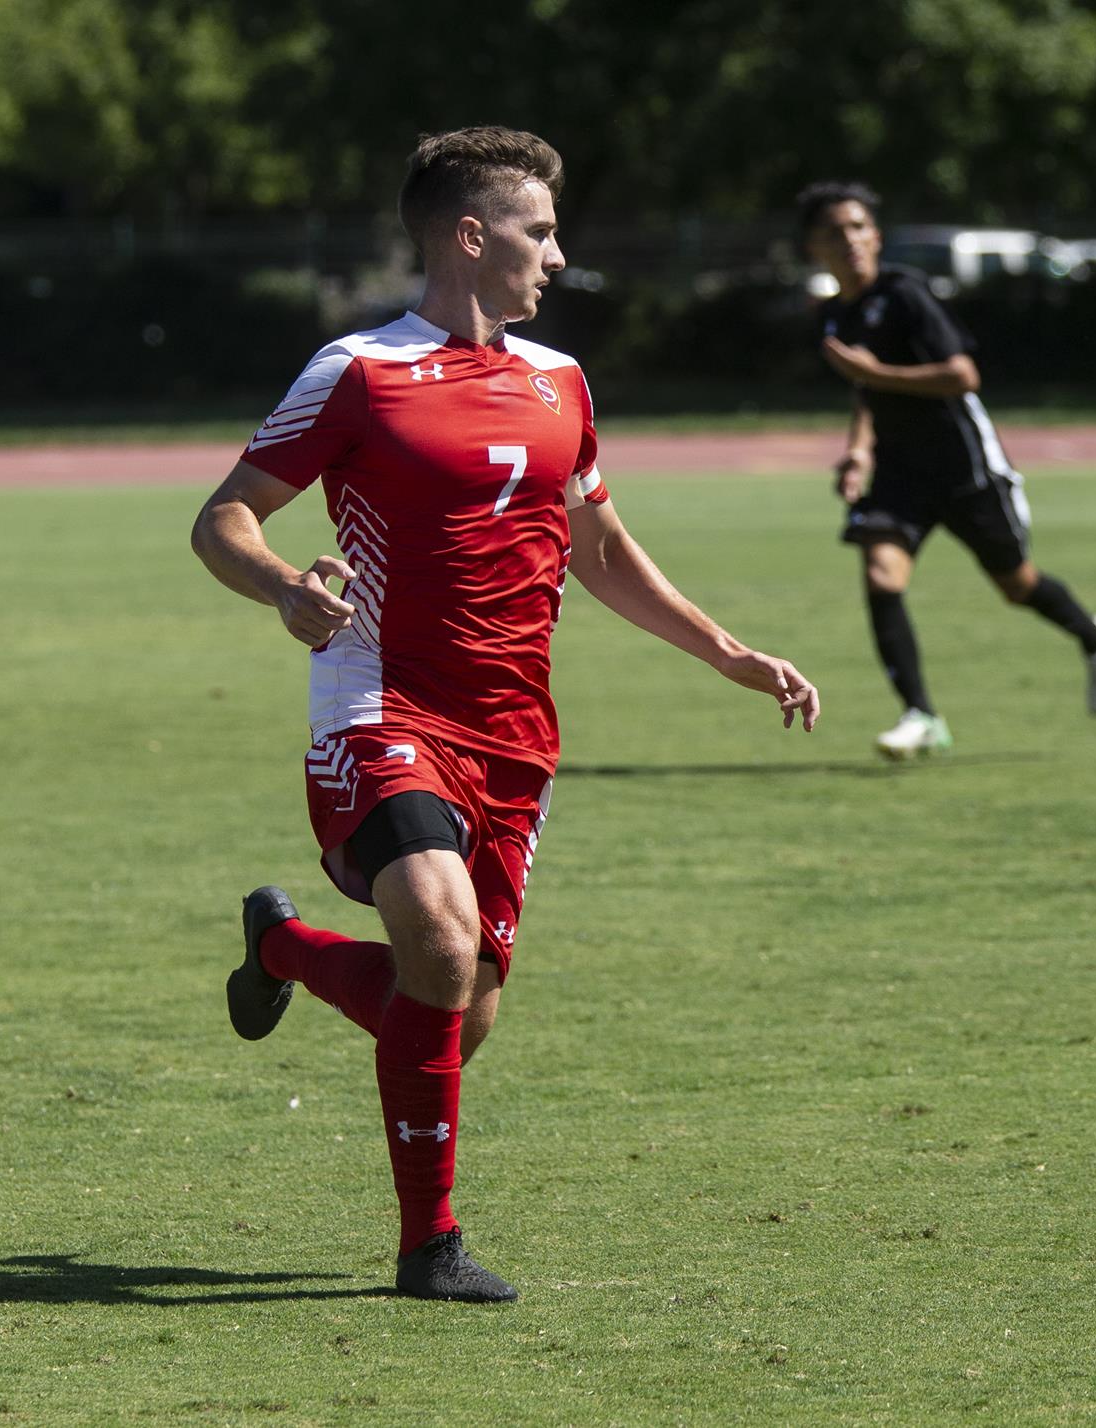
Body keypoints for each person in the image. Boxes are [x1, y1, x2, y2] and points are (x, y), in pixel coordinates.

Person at [191, 127, 820, 1303]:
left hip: (515, 737)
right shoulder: (357, 370)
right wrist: (281, 587)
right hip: (380, 702)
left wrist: (727, 652)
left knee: (453, 1014)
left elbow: (602, 550)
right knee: (436, 948)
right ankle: (427, 1248)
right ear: (470, 237)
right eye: (540, 231)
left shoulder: (559, 381)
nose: (557, 254)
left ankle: (280, 947)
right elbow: (223, 517)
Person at [798, 180, 1096, 759]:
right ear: (813, 247)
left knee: (1016, 585)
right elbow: (866, 392)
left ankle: (1094, 637)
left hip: (964, 468)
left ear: (876, 236)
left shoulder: (905, 294)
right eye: (834, 231)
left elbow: (962, 375)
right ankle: (921, 715)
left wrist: (877, 374)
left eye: (858, 226)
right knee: (881, 575)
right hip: (900, 473)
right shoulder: (835, 315)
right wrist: (860, 450)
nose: (849, 239)